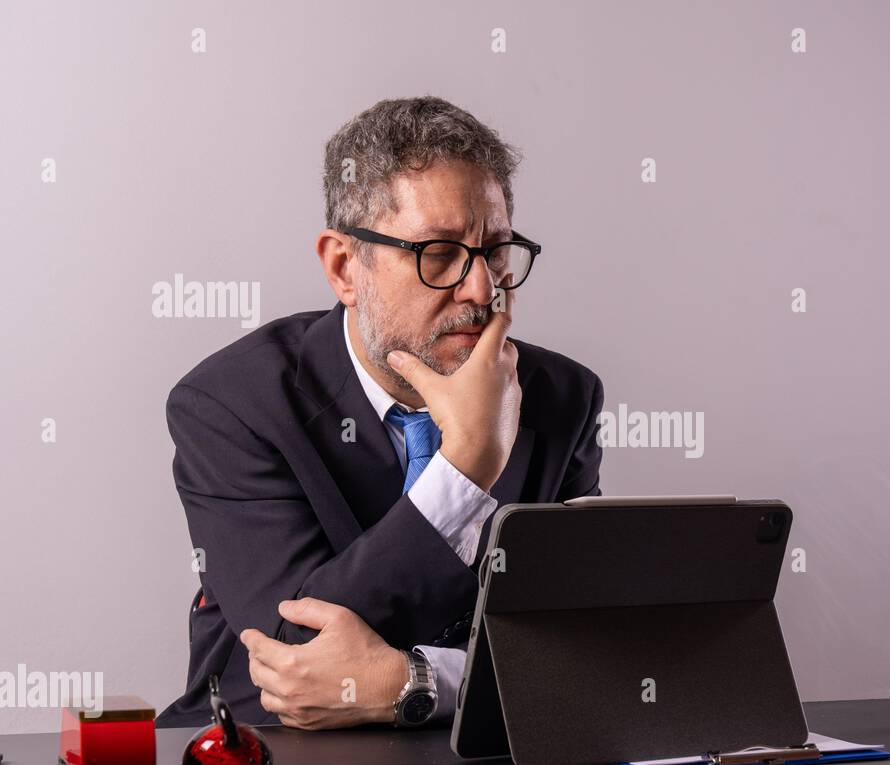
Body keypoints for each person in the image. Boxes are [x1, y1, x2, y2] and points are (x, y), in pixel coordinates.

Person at [156, 96, 604, 729]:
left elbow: (580, 655)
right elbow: (297, 653)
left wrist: (409, 681)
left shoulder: (563, 399)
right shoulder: (233, 404)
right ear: (345, 268)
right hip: (263, 760)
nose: (482, 291)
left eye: (497, 251)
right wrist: (467, 465)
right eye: (438, 253)